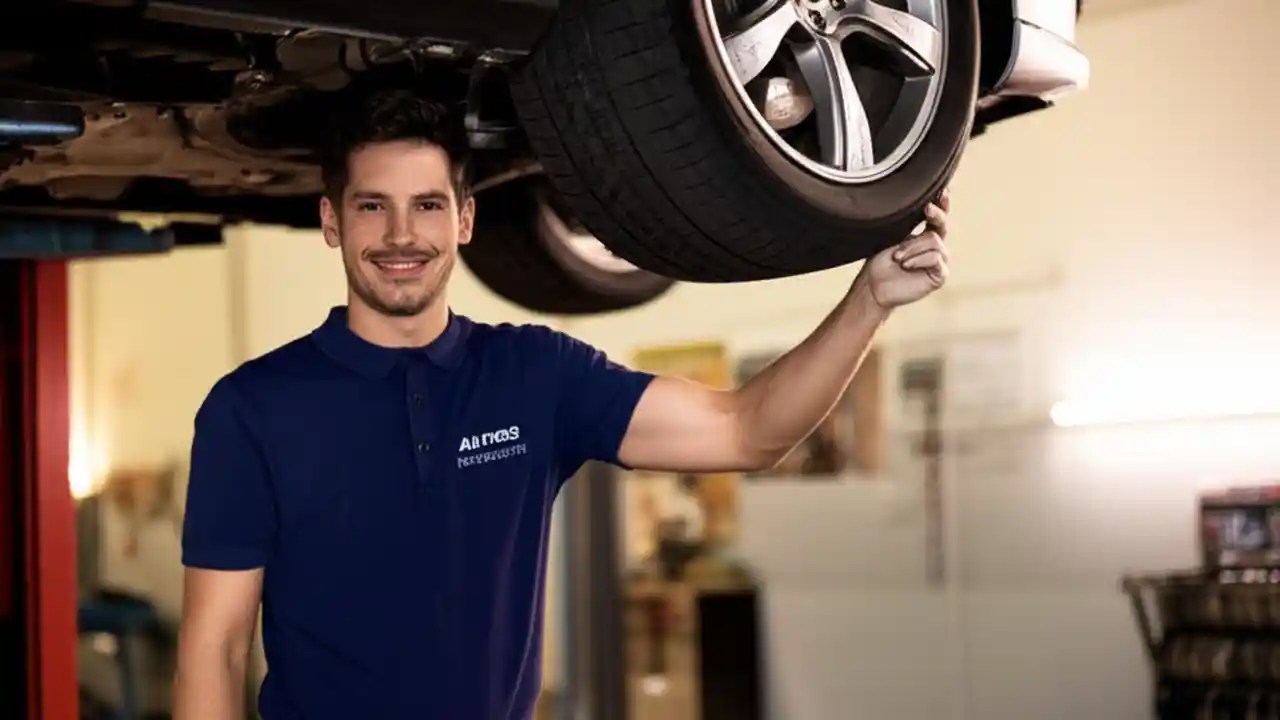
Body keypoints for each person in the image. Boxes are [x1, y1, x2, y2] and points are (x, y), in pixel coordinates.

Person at [172, 89, 951, 720]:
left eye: (429, 205)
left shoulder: (536, 375)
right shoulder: (255, 408)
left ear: (465, 219)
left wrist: (869, 303)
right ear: (332, 221)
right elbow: (216, 649)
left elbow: (747, 432)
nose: (402, 235)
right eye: (373, 206)